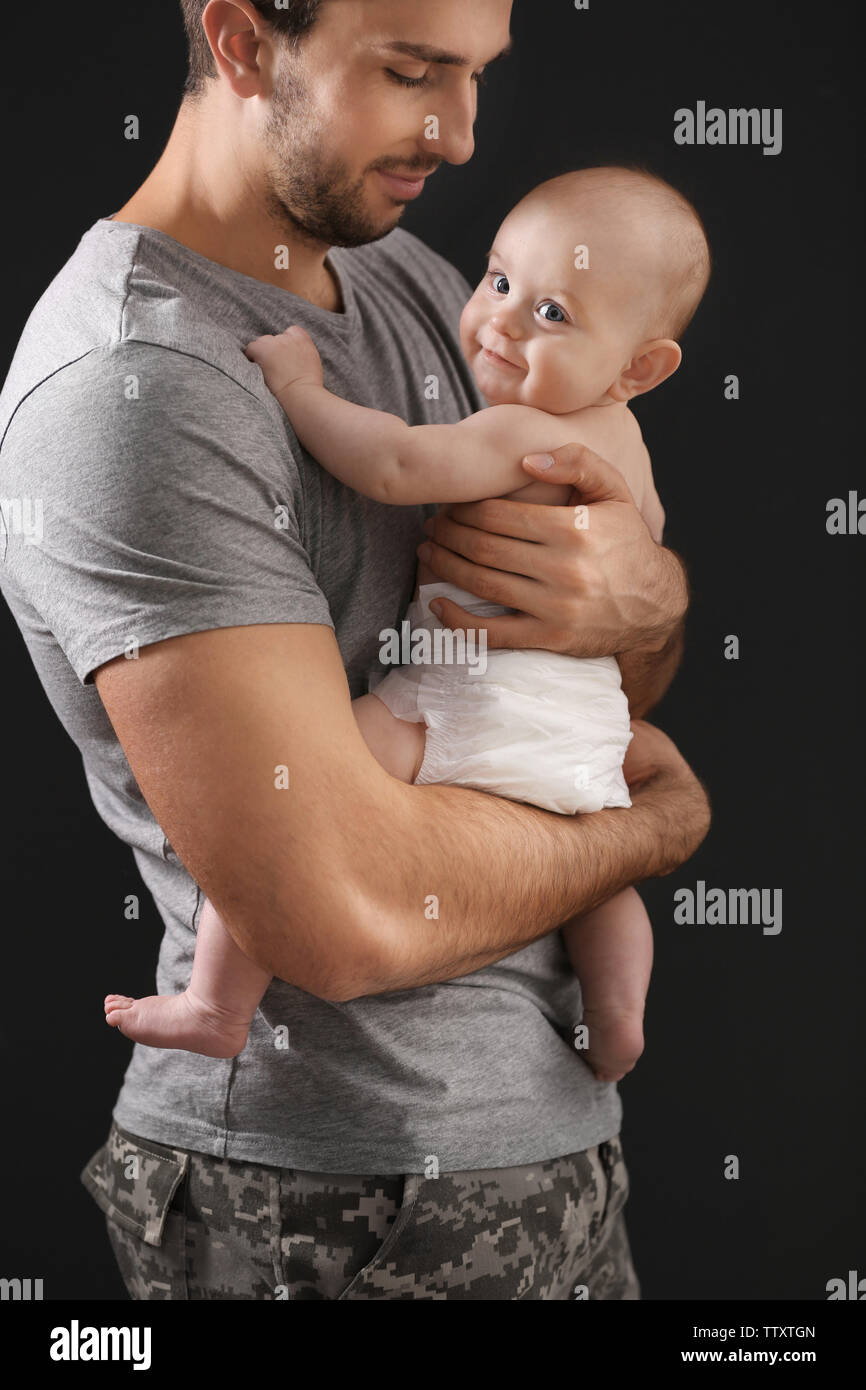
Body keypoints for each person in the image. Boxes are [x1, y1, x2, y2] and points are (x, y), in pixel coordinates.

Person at [0, 0, 708, 1299]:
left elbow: (602, 677)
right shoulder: (135, 385)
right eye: (409, 70)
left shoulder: (413, 288)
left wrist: (636, 602)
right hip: (324, 1194)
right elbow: (336, 911)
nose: (459, 130)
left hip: (556, 1151)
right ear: (242, 42)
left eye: (477, 76)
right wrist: (655, 824)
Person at [104, 165, 711, 1090]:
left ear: (639, 366)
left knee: (296, 806)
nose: (501, 321)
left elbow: (391, 463)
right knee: (601, 876)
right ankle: (619, 1019)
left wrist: (303, 389)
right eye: (500, 282)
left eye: (552, 314)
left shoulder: (517, 429)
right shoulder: (635, 458)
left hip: (461, 697)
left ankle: (218, 1005)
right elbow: (634, 587)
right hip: (583, 730)